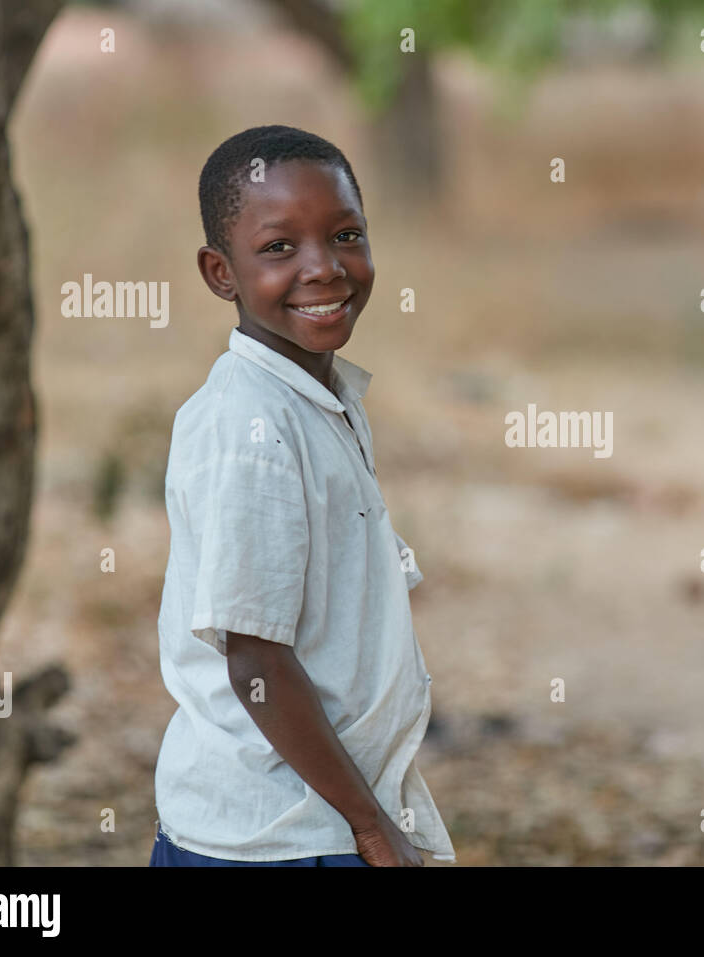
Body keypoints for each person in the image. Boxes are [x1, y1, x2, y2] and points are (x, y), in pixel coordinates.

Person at [149, 125, 454, 867]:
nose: (325, 268)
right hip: (277, 838)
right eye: (279, 248)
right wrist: (374, 828)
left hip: (320, 818)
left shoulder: (317, 397)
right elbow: (255, 659)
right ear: (220, 272)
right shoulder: (249, 426)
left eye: (346, 234)